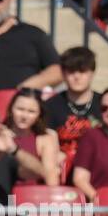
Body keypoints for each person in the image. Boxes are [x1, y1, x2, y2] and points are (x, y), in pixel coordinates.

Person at [44, 46, 100, 184]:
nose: (77, 76)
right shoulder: (50, 105)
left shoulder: (106, 105)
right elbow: (48, 141)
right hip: (62, 168)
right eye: (71, 71)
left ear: (92, 73)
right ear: (63, 74)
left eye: (82, 71)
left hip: (96, 168)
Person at [4, 88, 60, 187]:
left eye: (31, 112)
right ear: (11, 109)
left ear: (39, 115)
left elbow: (52, 180)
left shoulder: (44, 139)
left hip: (32, 197)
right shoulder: (0, 135)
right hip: (3, 197)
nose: (24, 116)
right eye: (20, 109)